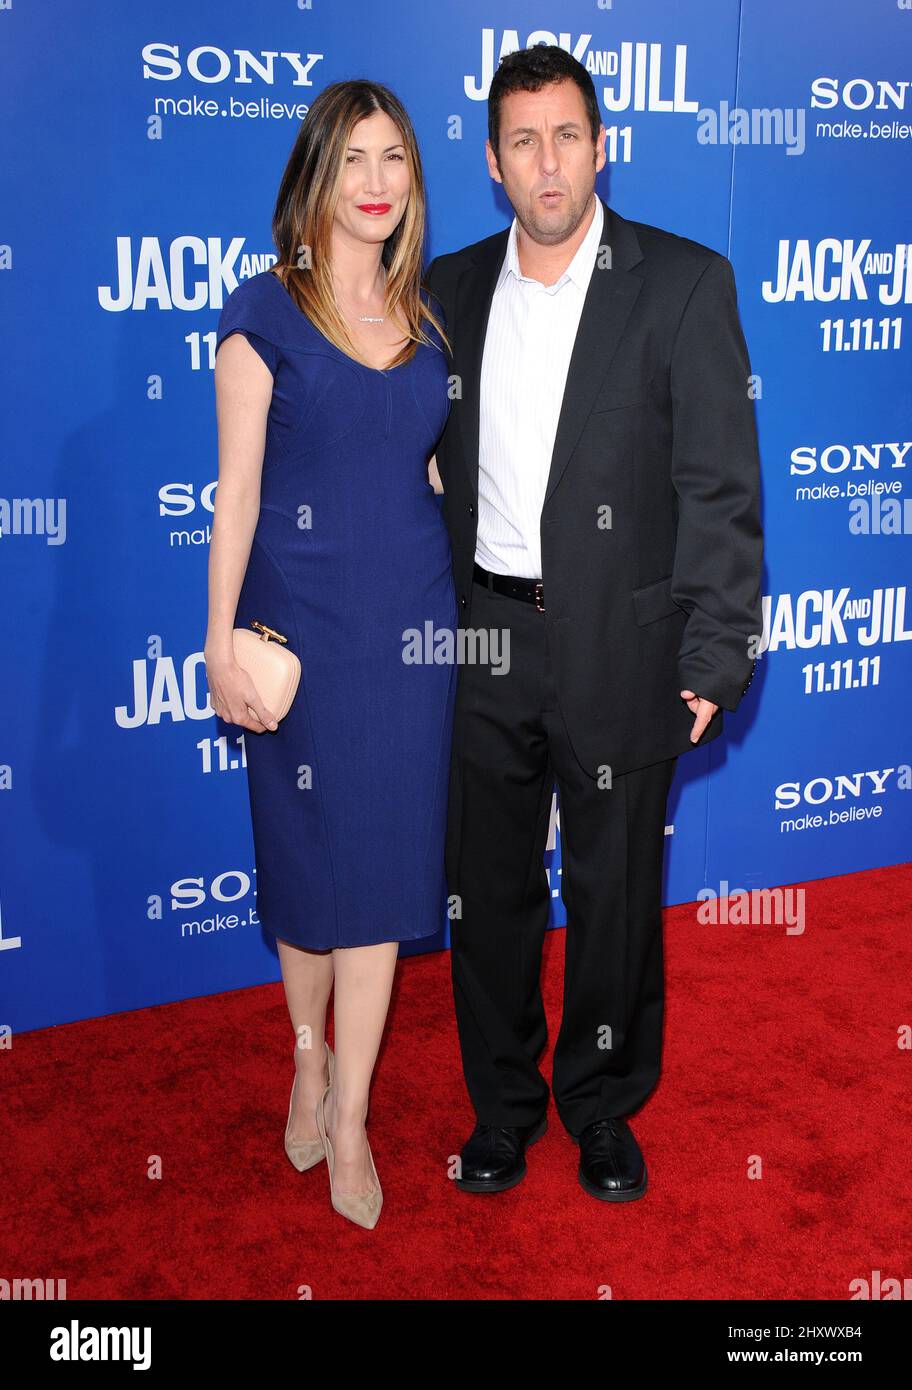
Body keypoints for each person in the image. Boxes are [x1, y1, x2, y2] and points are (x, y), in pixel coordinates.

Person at [426, 45, 763, 1201]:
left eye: (567, 134)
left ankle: (604, 1110)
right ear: (493, 162)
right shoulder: (449, 292)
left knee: (616, 895)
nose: (548, 161)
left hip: (626, 647)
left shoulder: (681, 282)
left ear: (602, 144)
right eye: (523, 140)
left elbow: (720, 486)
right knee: (491, 892)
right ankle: (504, 1111)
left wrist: (719, 649)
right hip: (483, 638)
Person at [205, 80, 455, 1230]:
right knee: (310, 884)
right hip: (300, 634)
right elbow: (240, 495)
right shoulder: (264, 313)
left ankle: (350, 1114)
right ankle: (306, 1056)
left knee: (385, 885)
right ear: (317, 176)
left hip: (409, 633)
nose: (374, 181)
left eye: (392, 158)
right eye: (352, 158)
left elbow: (425, 472)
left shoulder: (428, 323)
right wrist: (217, 644)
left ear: (410, 179)